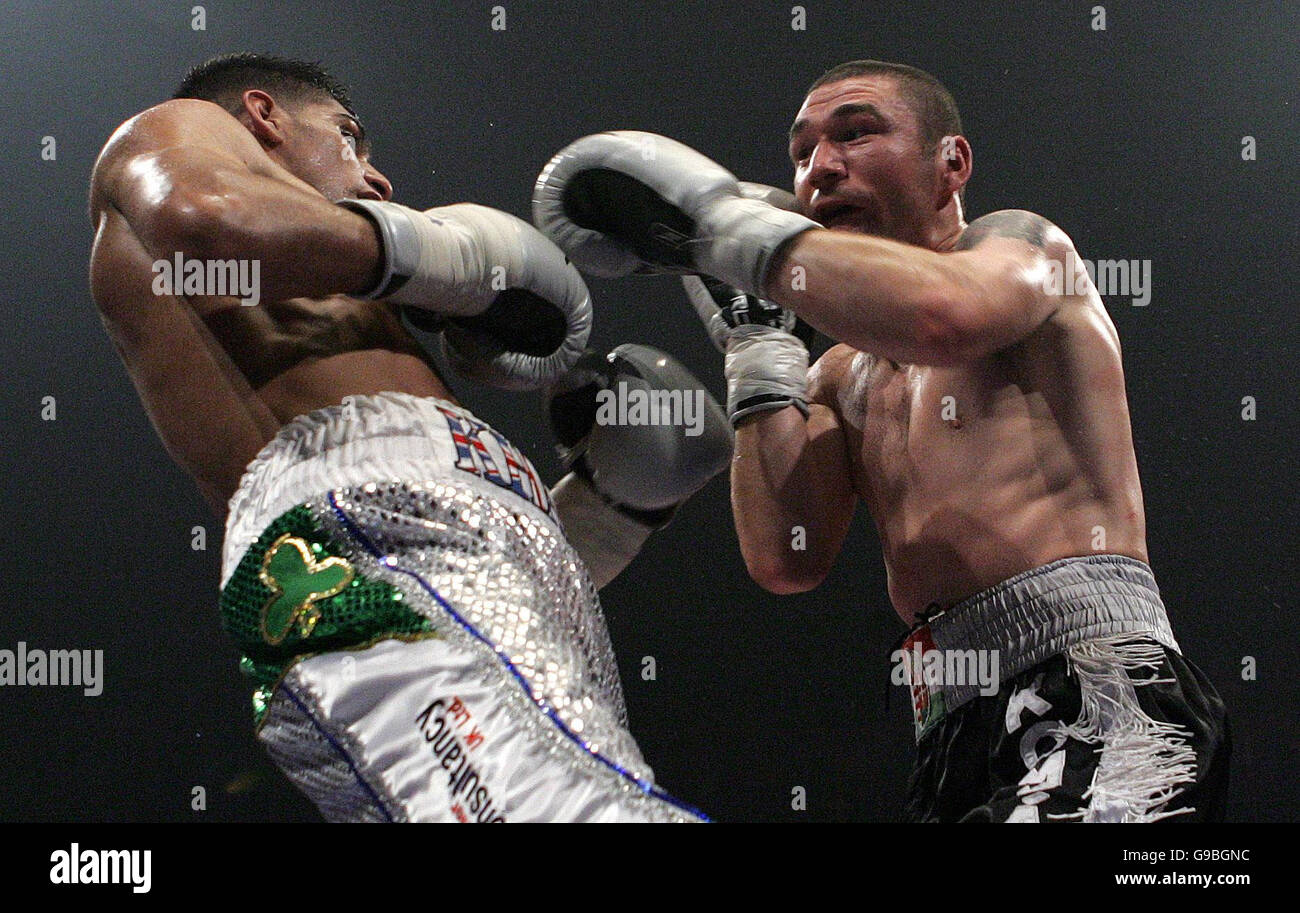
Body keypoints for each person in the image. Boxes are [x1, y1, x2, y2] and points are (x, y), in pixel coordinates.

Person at [532, 59, 1230, 822]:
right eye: (801, 153)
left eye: (856, 134)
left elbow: (944, 317)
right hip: (949, 729)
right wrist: (757, 346)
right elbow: (784, 557)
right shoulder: (836, 376)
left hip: (1098, 685)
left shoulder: (1024, 250)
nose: (819, 168)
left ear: (951, 164)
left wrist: (731, 230)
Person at [89, 52, 730, 822]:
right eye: (349, 138)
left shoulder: (351, 313)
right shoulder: (181, 135)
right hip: (345, 544)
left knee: (595, 790)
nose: (381, 180)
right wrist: (436, 256)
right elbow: (202, 219)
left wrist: (610, 510)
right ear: (263, 117)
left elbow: (464, 580)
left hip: (447, 559)